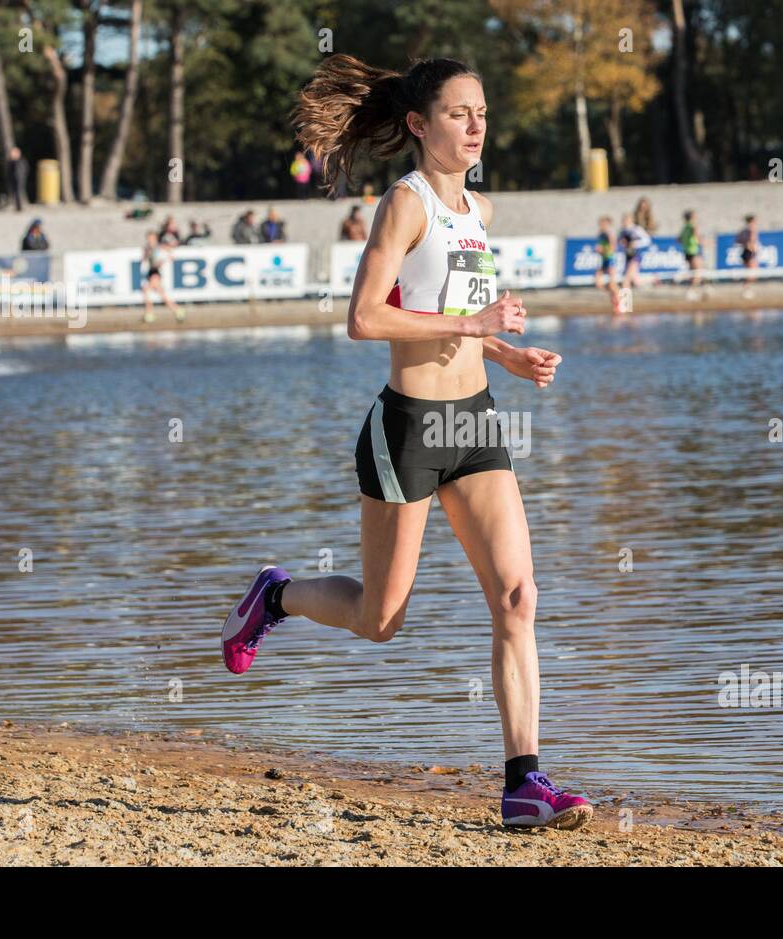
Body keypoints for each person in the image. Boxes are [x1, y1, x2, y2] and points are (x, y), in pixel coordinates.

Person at [224, 53, 591, 831]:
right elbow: (365, 318)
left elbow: (451, 307)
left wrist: (507, 354)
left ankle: (525, 781)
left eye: (482, 113)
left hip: (475, 425)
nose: (475, 126)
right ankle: (276, 595)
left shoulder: (479, 213)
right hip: (409, 431)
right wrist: (476, 326)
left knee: (519, 598)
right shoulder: (406, 202)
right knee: (381, 619)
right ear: (420, 125)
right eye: (459, 114)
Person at [140, 230, 186, 324]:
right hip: (150, 271)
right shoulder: (147, 248)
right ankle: (177, 310)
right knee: (161, 295)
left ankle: (150, 313)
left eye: (151, 238)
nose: (150, 240)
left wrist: (164, 260)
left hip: (156, 272)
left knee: (146, 290)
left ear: (155, 238)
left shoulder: (159, 247)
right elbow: (145, 259)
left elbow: (170, 252)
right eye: (149, 238)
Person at [618, 211, 651, 296]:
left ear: (631, 220)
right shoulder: (622, 231)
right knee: (636, 281)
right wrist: (622, 244)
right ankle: (653, 278)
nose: (624, 221)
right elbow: (620, 243)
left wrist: (635, 243)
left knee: (626, 280)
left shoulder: (636, 229)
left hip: (635, 256)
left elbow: (647, 240)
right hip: (627, 257)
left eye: (626, 219)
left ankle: (626, 305)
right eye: (623, 219)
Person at [593, 215, 621, 313]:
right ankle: (616, 300)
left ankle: (620, 302)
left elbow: (613, 248)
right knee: (598, 283)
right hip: (604, 260)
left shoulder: (609, 233)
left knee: (612, 283)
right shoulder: (600, 234)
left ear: (607, 224)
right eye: (600, 224)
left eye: (603, 223)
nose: (601, 225)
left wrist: (602, 250)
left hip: (610, 259)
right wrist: (599, 250)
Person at [679, 209, 705, 299]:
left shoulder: (685, 227)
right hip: (694, 251)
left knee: (694, 272)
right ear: (692, 217)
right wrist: (705, 242)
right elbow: (696, 236)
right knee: (698, 273)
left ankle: (697, 291)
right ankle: (691, 291)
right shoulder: (692, 226)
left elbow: (679, 239)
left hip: (687, 252)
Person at [736, 214, 759, 298]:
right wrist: (753, 249)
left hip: (745, 251)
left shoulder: (743, 230)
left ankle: (746, 290)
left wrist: (745, 244)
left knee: (749, 272)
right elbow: (752, 240)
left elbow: (737, 240)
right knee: (752, 273)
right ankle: (746, 290)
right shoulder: (752, 229)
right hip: (749, 252)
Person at [7, 146, 29, 211]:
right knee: (15, 192)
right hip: (14, 179)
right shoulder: (11, 162)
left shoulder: (20, 161)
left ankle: (20, 207)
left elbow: (22, 171)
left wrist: (20, 177)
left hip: (19, 179)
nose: (11, 155)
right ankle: (17, 206)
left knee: (19, 192)